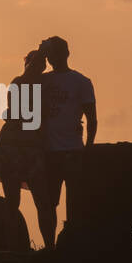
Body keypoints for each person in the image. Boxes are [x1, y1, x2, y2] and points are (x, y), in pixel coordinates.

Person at [37, 36, 96, 250]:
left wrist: (88, 147)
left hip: (72, 151)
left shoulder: (81, 81)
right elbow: (27, 73)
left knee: (75, 203)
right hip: (48, 152)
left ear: (67, 54)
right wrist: (40, 51)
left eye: (56, 52)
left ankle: (72, 244)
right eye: (50, 54)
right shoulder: (42, 80)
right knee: (48, 202)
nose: (54, 58)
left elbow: (92, 117)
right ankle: (50, 247)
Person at [0, 48, 47, 209]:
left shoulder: (44, 85)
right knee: (13, 201)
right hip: (13, 145)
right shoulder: (19, 82)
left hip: (30, 145)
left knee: (41, 201)